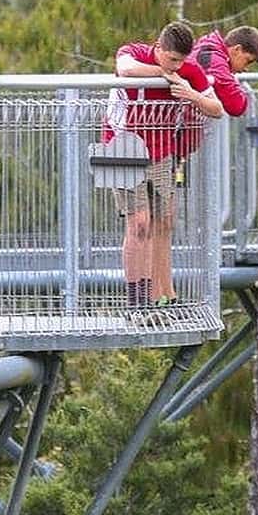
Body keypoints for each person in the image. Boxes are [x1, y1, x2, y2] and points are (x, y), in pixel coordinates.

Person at [106, 21, 222, 309]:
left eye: (182, 61)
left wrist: (191, 94)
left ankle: (162, 297)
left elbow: (216, 108)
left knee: (164, 221)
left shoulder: (188, 70)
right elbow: (126, 69)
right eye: (172, 59)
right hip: (122, 149)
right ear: (158, 48)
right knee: (140, 223)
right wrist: (164, 75)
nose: (177, 66)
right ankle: (138, 303)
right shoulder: (133, 52)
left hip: (161, 154)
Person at [190, 25, 258, 118]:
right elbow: (237, 106)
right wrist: (233, 79)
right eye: (247, 61)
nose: (246, 69)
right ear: (237, 49)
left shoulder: (208, 50)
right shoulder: (214, 61)